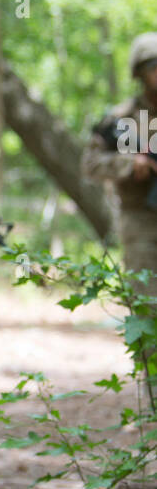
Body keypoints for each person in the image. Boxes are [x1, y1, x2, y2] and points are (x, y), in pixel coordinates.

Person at [83, 32, 157, 299]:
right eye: (153, 65)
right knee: (146, 305)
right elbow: (91, 165)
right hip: (141, 220)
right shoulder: (122, 118)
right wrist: (130, 164)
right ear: (138, 73)